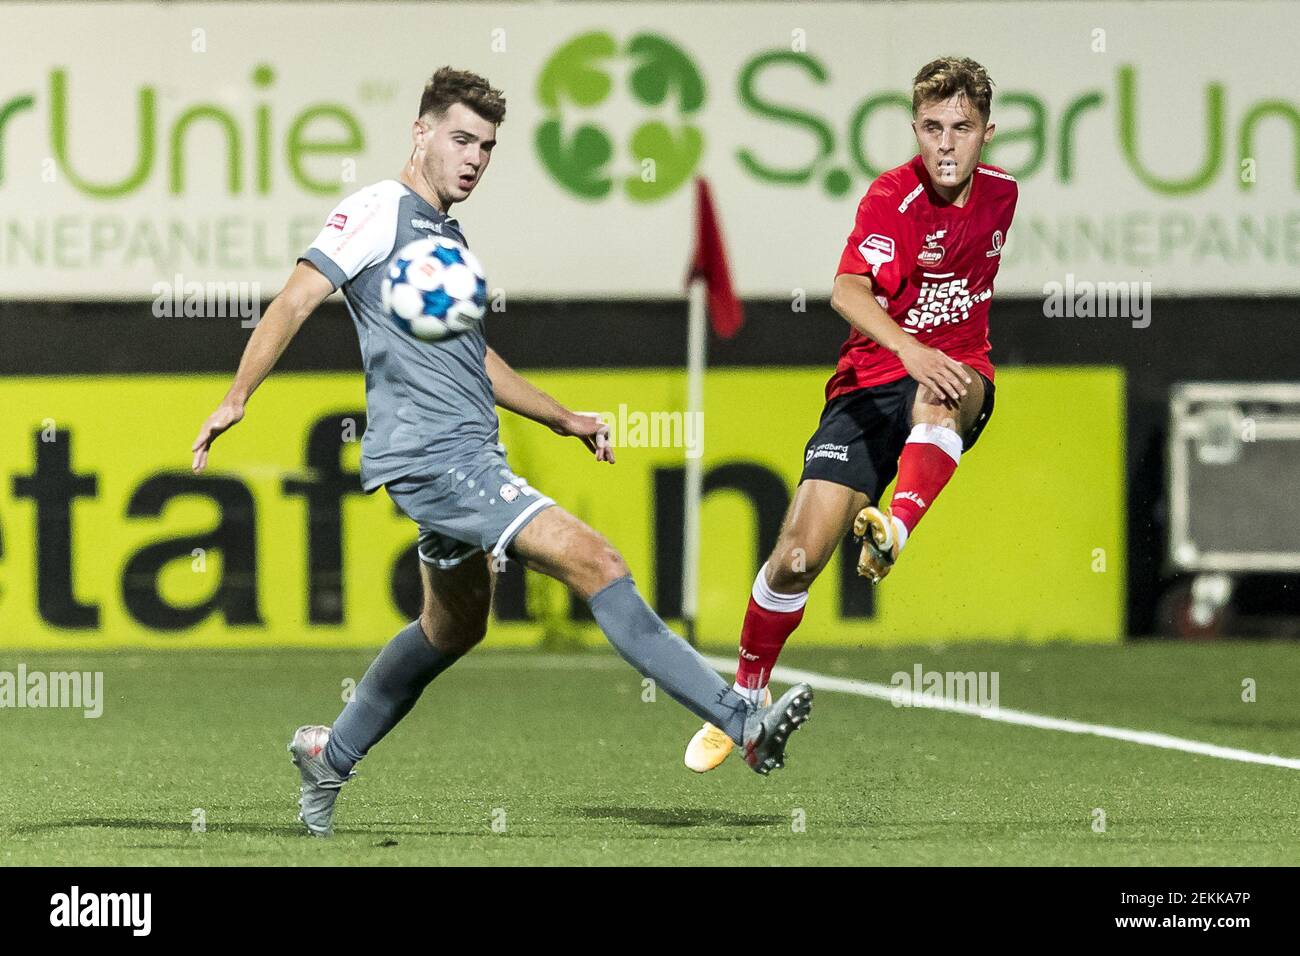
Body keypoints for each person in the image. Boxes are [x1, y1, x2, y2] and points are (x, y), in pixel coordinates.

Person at [190, 67, 812, 836]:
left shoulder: (445, 236)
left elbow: (475, 359)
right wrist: (237, 396)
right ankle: (739, 719)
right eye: (461, 139)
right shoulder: (378, 210)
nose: (474, 158)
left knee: (453, 627)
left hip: (464, 455)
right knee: (599, 563)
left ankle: (331, 753)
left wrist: (560, 418)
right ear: (420, 132)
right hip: (435, 457)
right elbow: (295, 297)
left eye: (486, 147)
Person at [685, 56, 1016, 773]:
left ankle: (896, 527)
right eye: (931, 127)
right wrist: (909, 348)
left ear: (988, 132)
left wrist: (930, 356)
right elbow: (845, 290)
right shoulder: (891, 196)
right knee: (795, 559)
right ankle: (743, 698)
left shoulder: (1002, 194)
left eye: (961, 128)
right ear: (914, 129)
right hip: (867, 385)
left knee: (946, 389)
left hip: (952, 375)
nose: (945, 144)